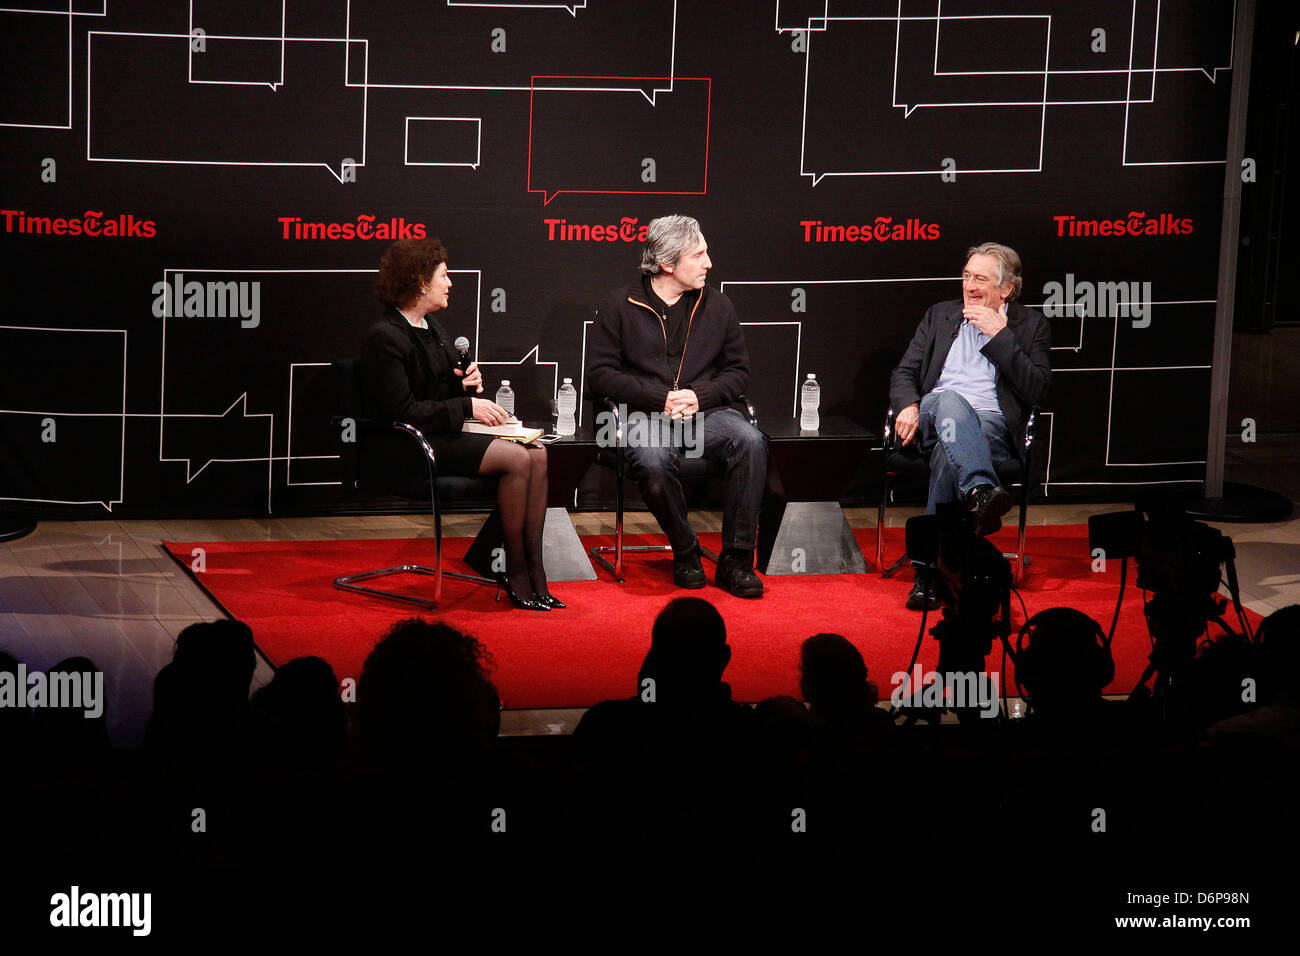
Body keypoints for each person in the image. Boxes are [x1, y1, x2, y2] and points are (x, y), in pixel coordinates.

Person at [361, 238, 558, 611]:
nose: (450, 283)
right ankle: (515, 569)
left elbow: (441, 390)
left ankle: (535, 566)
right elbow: (402, 410)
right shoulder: (384, 337)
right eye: (444, 275)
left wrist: (464, 383)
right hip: (408, 446)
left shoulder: (432, 327)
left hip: (443, 435)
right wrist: (466, 404)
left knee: (538, 453)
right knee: (517, 460)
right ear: (421, 281)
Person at [586, 215, 768, 598]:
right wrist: (660, 398)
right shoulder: (619, 304)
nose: (709, 263)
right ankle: (686, 550)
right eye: (699, 254)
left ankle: (736, 560)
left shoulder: (718, 306)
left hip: (702, 415)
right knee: (653, 460)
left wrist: (700, 395)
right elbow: (601, 375)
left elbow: (738, 373)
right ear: (668, 264)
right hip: (638, 415)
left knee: (750, 440)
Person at [889, 242, 1052, 610]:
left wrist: (1001, 337)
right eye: (966, 276)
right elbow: (905, 372)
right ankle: (980, 490)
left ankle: (927, 572)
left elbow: (1038, 389)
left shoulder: (1031, 326)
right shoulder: (940, 315)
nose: (970, 285)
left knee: (950, 457)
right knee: (950, 401)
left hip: (989, 427)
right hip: (934, 413)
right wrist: (909, 405)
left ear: (1007, 288)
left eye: (981, 278)